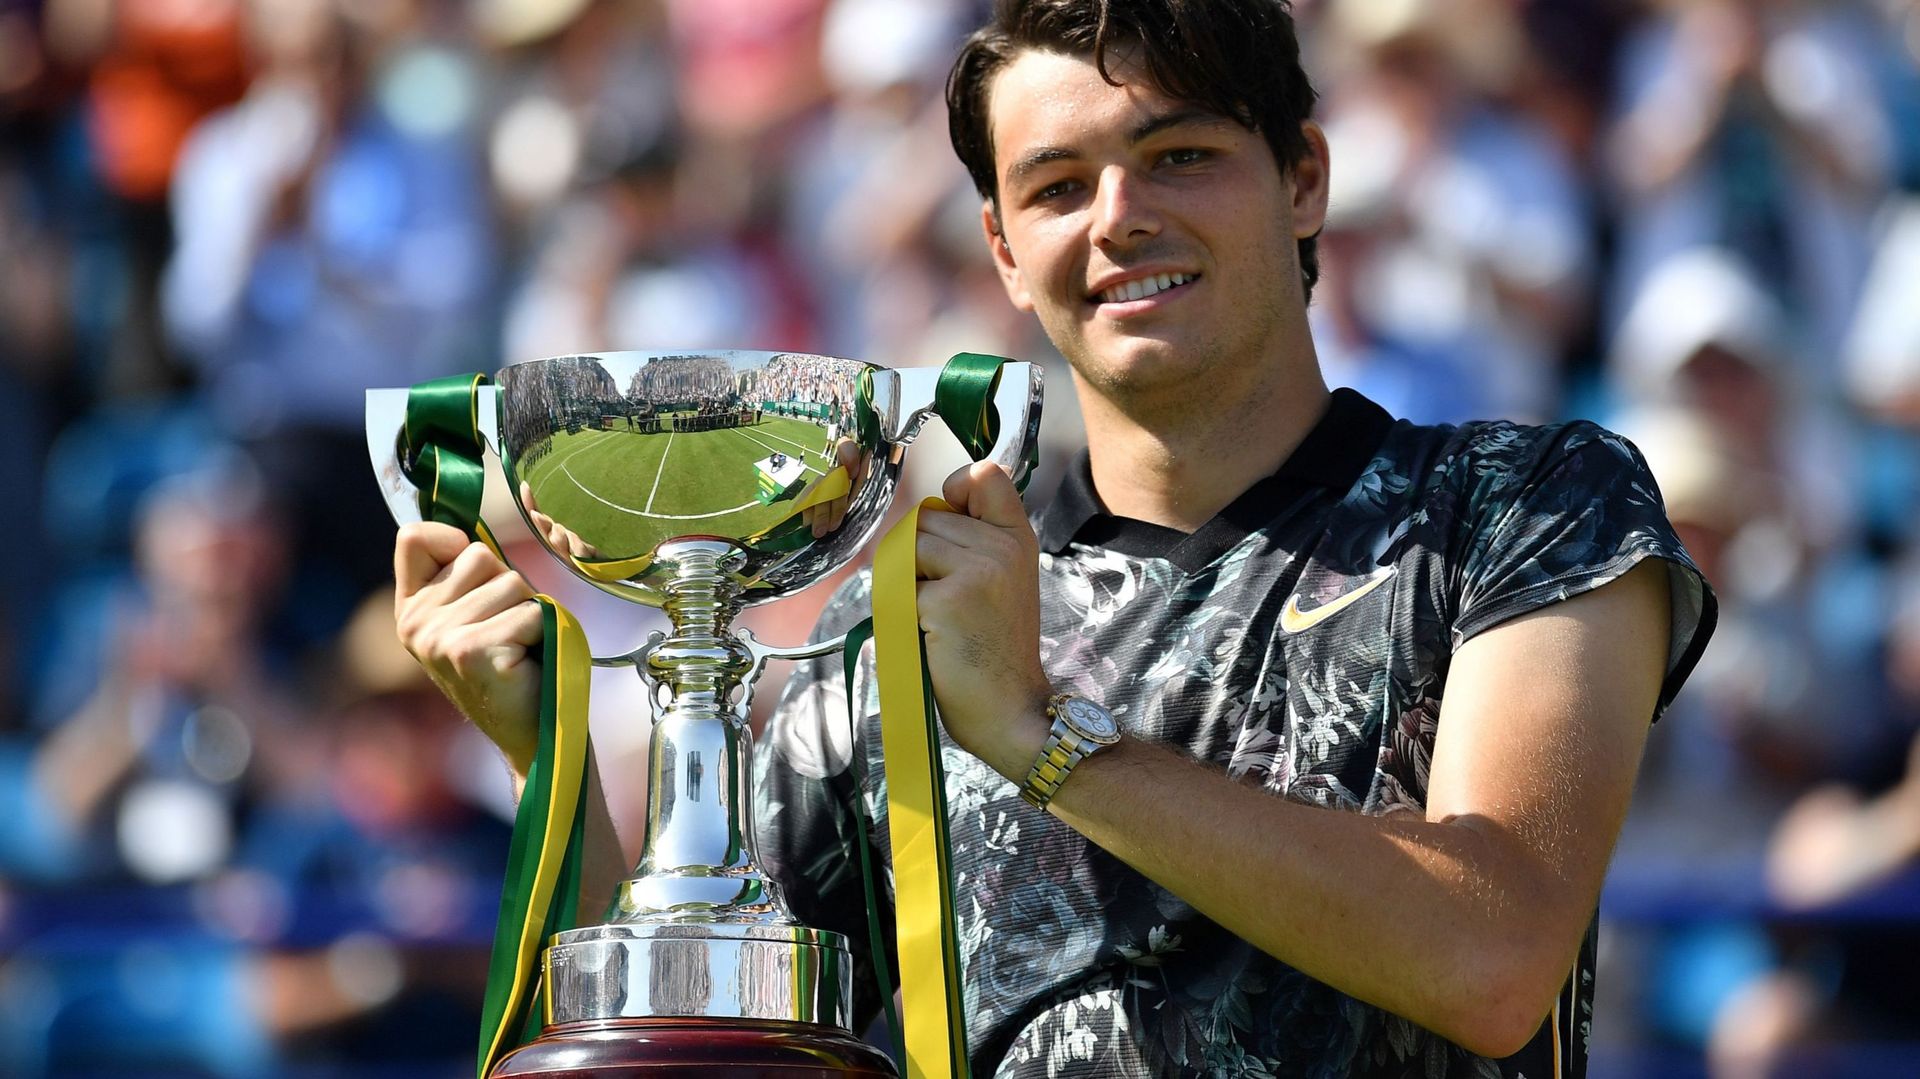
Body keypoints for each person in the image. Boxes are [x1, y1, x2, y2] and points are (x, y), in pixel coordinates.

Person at [393, 1, 1716, 1075]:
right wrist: (551, 755)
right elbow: (720, 1046)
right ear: (1004, 249)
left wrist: (1044, 741)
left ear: (1304, 178)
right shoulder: (909, 625)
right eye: (1059, 184)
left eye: (1181, 155)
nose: (1119, 217)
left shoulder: (1524, 504)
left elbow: (1490, 955)